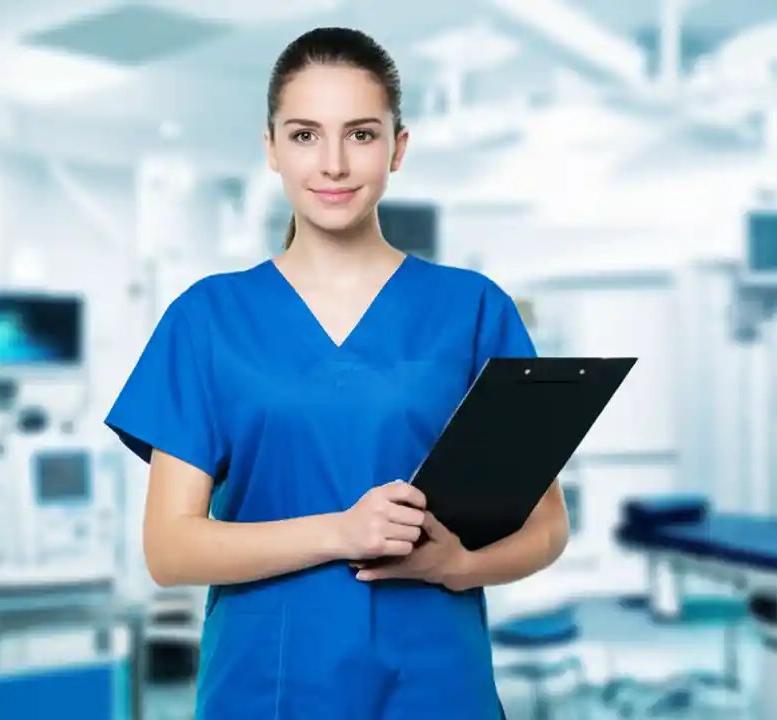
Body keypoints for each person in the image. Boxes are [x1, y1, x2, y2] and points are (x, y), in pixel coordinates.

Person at [104, 27, 570, 720]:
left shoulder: (473, 309)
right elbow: (170, 549)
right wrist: (340, 532)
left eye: (360, 134)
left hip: (437, 684)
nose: (332, 164)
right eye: (303, 135)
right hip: (268, 687)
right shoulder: (206, 319)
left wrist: (458, 566)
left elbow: (547, 527)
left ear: (397, 147)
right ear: (270, 148)